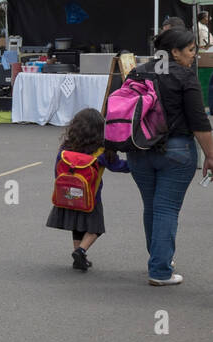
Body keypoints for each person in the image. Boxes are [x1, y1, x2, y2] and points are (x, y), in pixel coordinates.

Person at [126, 27, 213, 286]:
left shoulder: (138, 72)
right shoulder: (185, 77)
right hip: (176, 150)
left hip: (139, 150)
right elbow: (199, 123)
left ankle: (159, 259)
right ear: (174, 51)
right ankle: (160, 270)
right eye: (190, 50)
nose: (194, 55)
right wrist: (210, 155)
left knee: (152, 206)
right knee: (166, 209)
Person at [45, 108, 129, 272]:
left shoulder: (66, 148)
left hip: (69, 193)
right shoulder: (101, 152)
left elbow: (57, 169)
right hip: (91, 196)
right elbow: (119, 166)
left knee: (77, 225)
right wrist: (136, 166)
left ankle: (79, 256)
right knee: (95, 228)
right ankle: (81, 251)